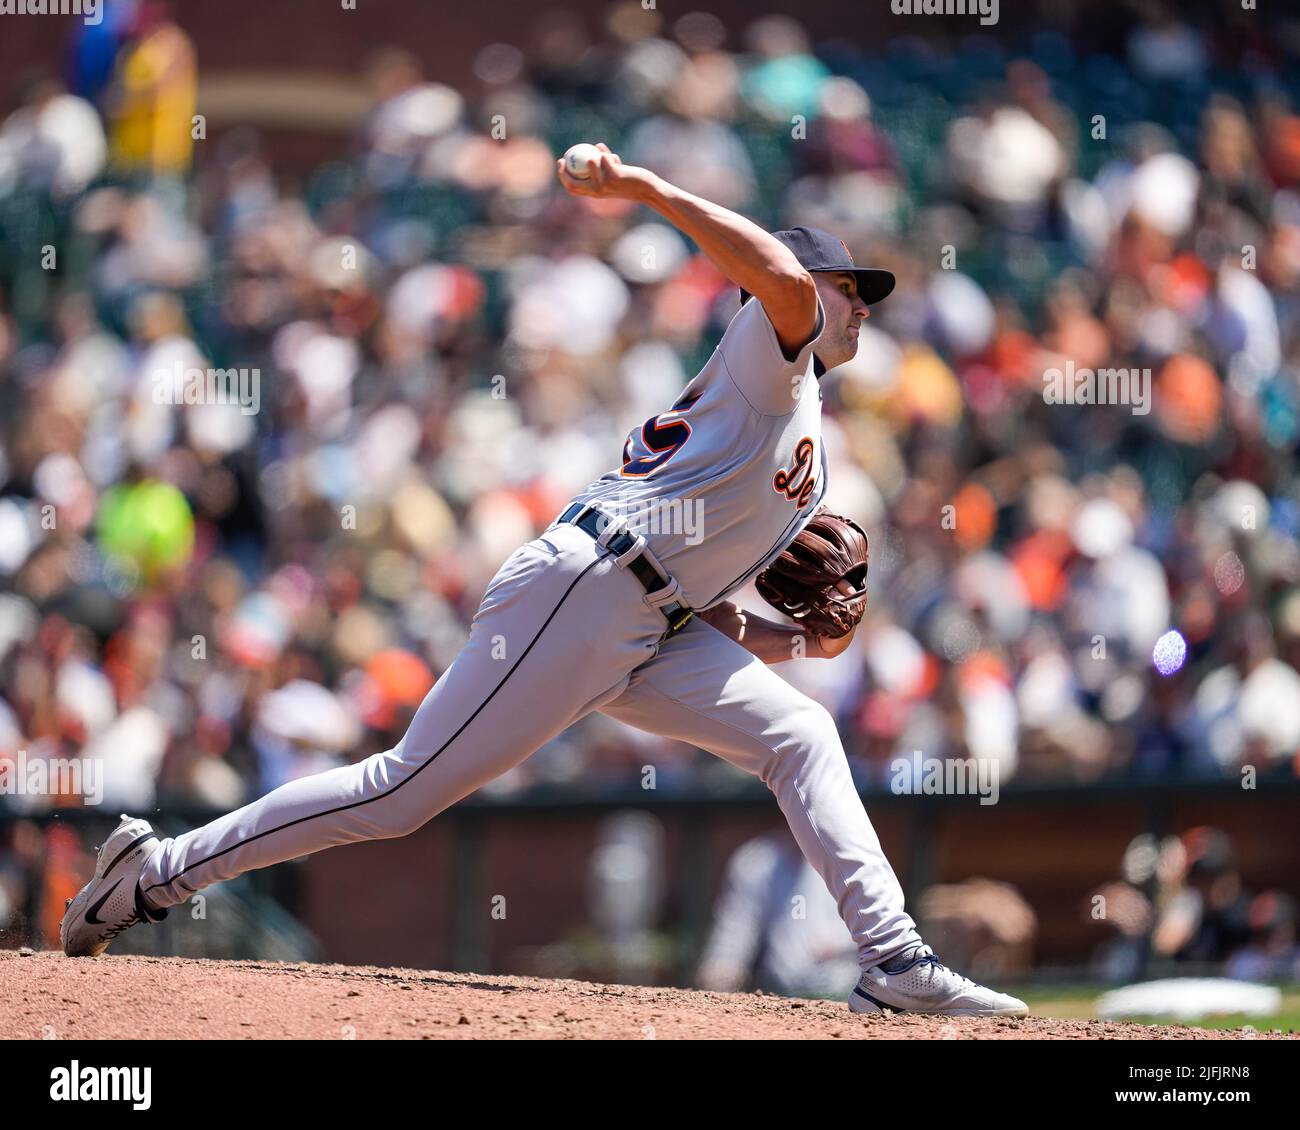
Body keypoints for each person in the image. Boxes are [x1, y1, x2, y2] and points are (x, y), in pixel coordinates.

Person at [62, 143, 1027, 1017]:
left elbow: (702, 596)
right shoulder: (770, 351)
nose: (863, 304)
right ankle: (155, 874)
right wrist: (645, 188)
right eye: (849, 287)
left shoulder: (793, 410)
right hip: (587, 588)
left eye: (864, 293)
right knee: (399, 795)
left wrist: (790, 640)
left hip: (643, 615)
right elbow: (775, 275)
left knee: (800, 732)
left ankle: (893, 958)